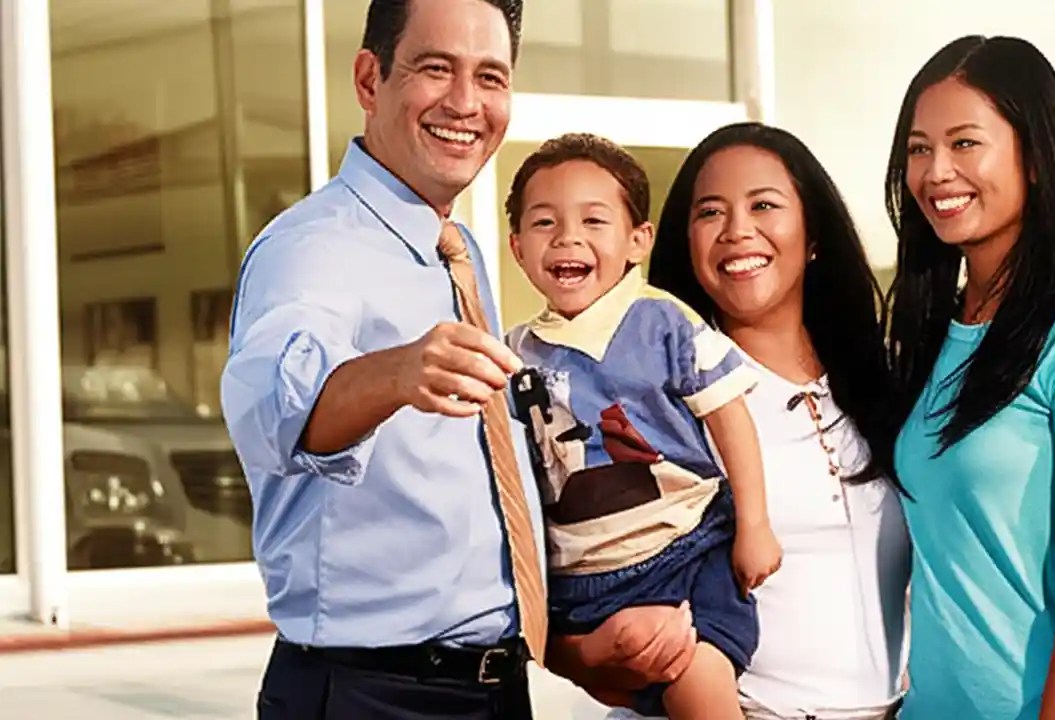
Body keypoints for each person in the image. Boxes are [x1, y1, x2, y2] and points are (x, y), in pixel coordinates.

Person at [220, 1, 546, 718]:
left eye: (490, 77)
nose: (466, 103)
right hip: (376, 695)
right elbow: (278, 407)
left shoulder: (453, 253)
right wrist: (393, 374)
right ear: (370, 79)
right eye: (436, 69)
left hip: (488, 688)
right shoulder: (314, 248)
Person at [545, 122, 912, 720]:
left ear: (813, 232)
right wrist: (583, 655)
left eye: (763, 205)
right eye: (710, 212)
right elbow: (567, 574)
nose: (738, 230)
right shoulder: (651, 398)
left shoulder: (882, 383)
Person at [884, 35, 1055, 720]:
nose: (936, 172)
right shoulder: (933, 332)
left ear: (1034, 157)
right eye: (919, 149)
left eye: (965, 143)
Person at [504, 132, 780, 720]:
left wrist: (755, 524)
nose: (568, 238)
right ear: (517, 247)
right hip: (582, 579)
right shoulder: (515, 353)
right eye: (545, 223)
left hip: (685, 549)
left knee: (697, 676)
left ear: (638, 240)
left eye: (593, 221)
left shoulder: (661, 322)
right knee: (635, 694)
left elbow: (729, 413)